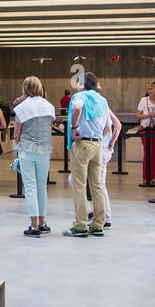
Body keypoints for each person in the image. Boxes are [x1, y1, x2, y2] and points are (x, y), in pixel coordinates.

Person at [63, 73, 111, 237]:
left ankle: (80, 225)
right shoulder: (102, 100)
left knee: (79, 185)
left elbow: (77, 108)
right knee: (96, 185)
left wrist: (74, 128)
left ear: (83, 84)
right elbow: (108, 127)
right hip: (98, 144)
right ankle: (98, 224)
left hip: (82, 144)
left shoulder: (79, 96)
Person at [12, 76, 56, 236]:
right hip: (45, 150)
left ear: (24, 88)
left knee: (30, 187)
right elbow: (50, 127)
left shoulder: (22, 108)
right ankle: (43, 222)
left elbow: (16, 134)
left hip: (27, 150)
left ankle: (34, 225)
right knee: (41, 187)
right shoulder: (49, 106)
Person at [90, 106, 124, 229]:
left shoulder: (102, 108)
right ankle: (94, 212)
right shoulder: (103, 108)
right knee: (96, 183)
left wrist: (110, 143)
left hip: (101, 148)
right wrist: (112, 143)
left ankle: (106, 216)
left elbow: (116, 126)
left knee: (99, 184)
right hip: (104, 148)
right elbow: (117, 125)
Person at [137, 80, 155, 186]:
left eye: (151, 89)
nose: (149, 91)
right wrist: (149, 115)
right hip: (146, 128)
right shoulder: (143, 101)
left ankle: (153, 176)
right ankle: (146, 177)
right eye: (148, 89)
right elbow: (138, 115)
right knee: (147, 153)